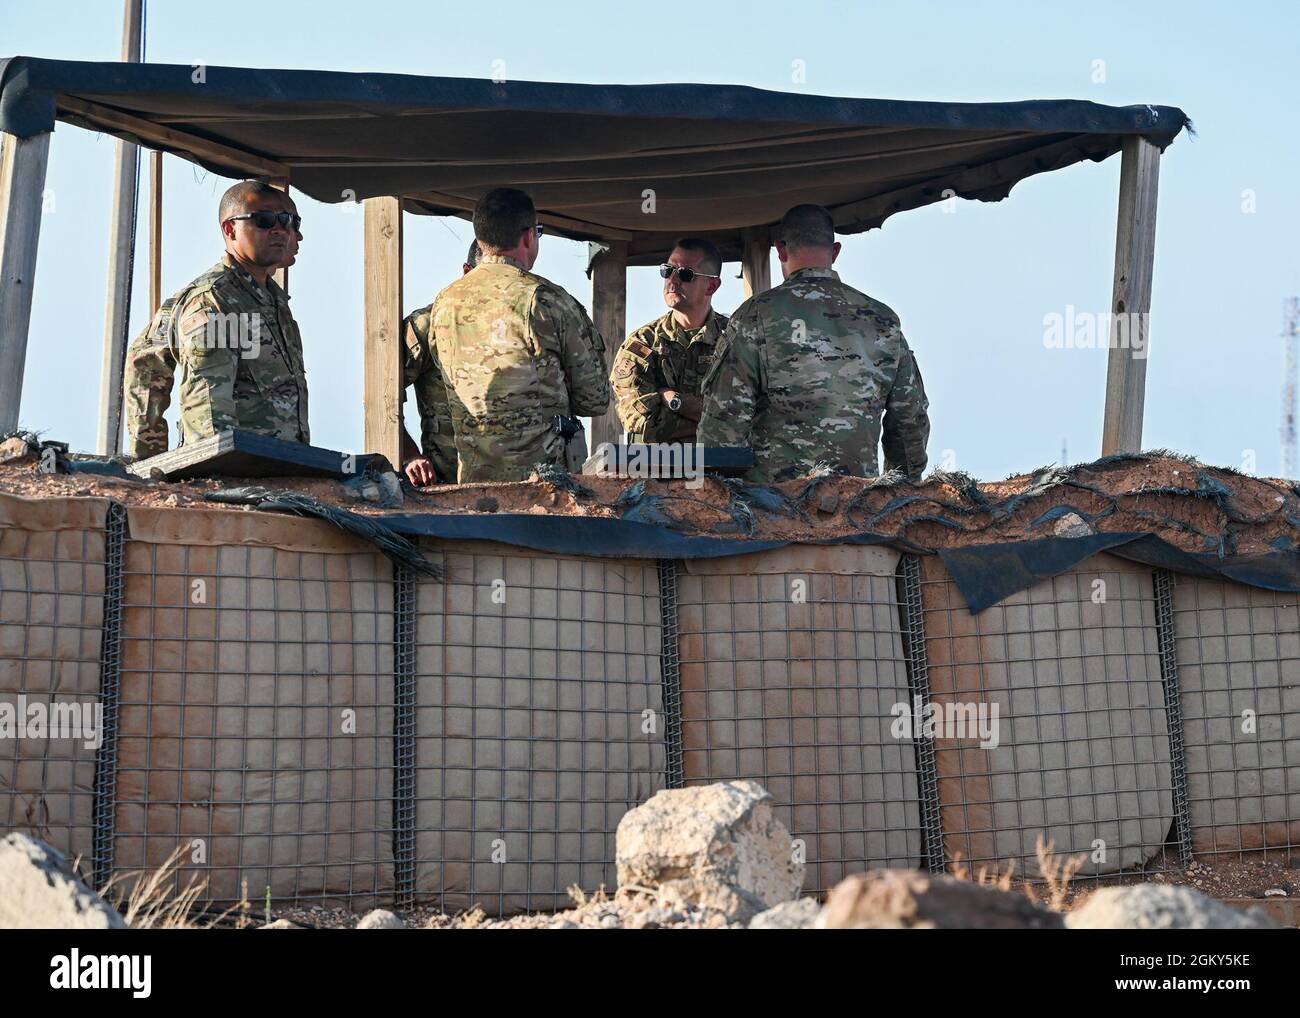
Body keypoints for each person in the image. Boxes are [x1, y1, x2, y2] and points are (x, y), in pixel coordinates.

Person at [697, 203, 930, 482]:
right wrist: (898, 493)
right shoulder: (883, 321)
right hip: (859, 509)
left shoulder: (756, 315)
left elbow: (722, 427)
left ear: (781, 250)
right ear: (835, 252)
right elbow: (909, 424)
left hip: (773, 509)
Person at [429, 188, 610, 481]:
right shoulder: (547, 301)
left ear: (480, 239)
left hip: (472, 486)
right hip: (544, 487)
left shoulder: (444, 302)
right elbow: (595, 399)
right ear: (528, 237)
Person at [123, 180, 309, 458]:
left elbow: (145, 361)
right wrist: (150, 460)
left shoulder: (272, 300)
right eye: (267, 220)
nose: (283, 230)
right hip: (235, 474)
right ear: (231, 229)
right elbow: (203, 404)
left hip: (279, 468)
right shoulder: (215, 301)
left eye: (291, 221)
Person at [610, 238, 729, 443]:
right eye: (667, 270)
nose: (672, 281)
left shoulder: (735, 340)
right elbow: (645, 424)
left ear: (712, 285)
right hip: (655, 469)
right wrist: (714, 423)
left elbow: (749, 416)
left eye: (685, 274)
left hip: (724, 469)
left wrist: (674, 400)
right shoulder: (643, 343)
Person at [397, 240, 481, 485]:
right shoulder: (427, 326)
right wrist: (410, 456)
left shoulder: (531, 324)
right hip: (447, 483)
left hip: (520, 484)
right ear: (466, 272)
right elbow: (381, 399)